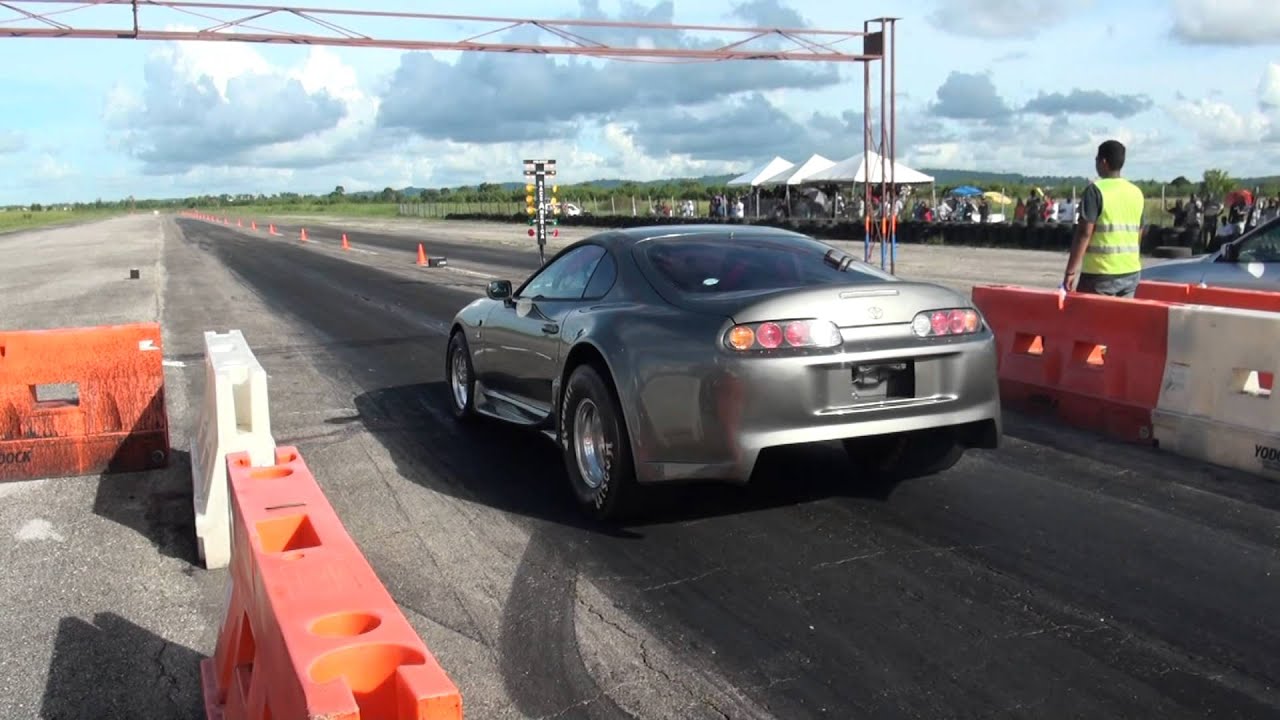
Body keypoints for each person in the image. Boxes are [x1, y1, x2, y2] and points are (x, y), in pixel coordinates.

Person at [1062, 139, 1145, 296]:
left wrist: (1070, 271)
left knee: (1089, 313)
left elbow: (1084, 233)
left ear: (1104, 162)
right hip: (1131, 271)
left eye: (1096, 159)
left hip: (1100, 273)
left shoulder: (1095, 190)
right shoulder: (1136, 192)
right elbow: (1139, 232)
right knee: (1122, 313)